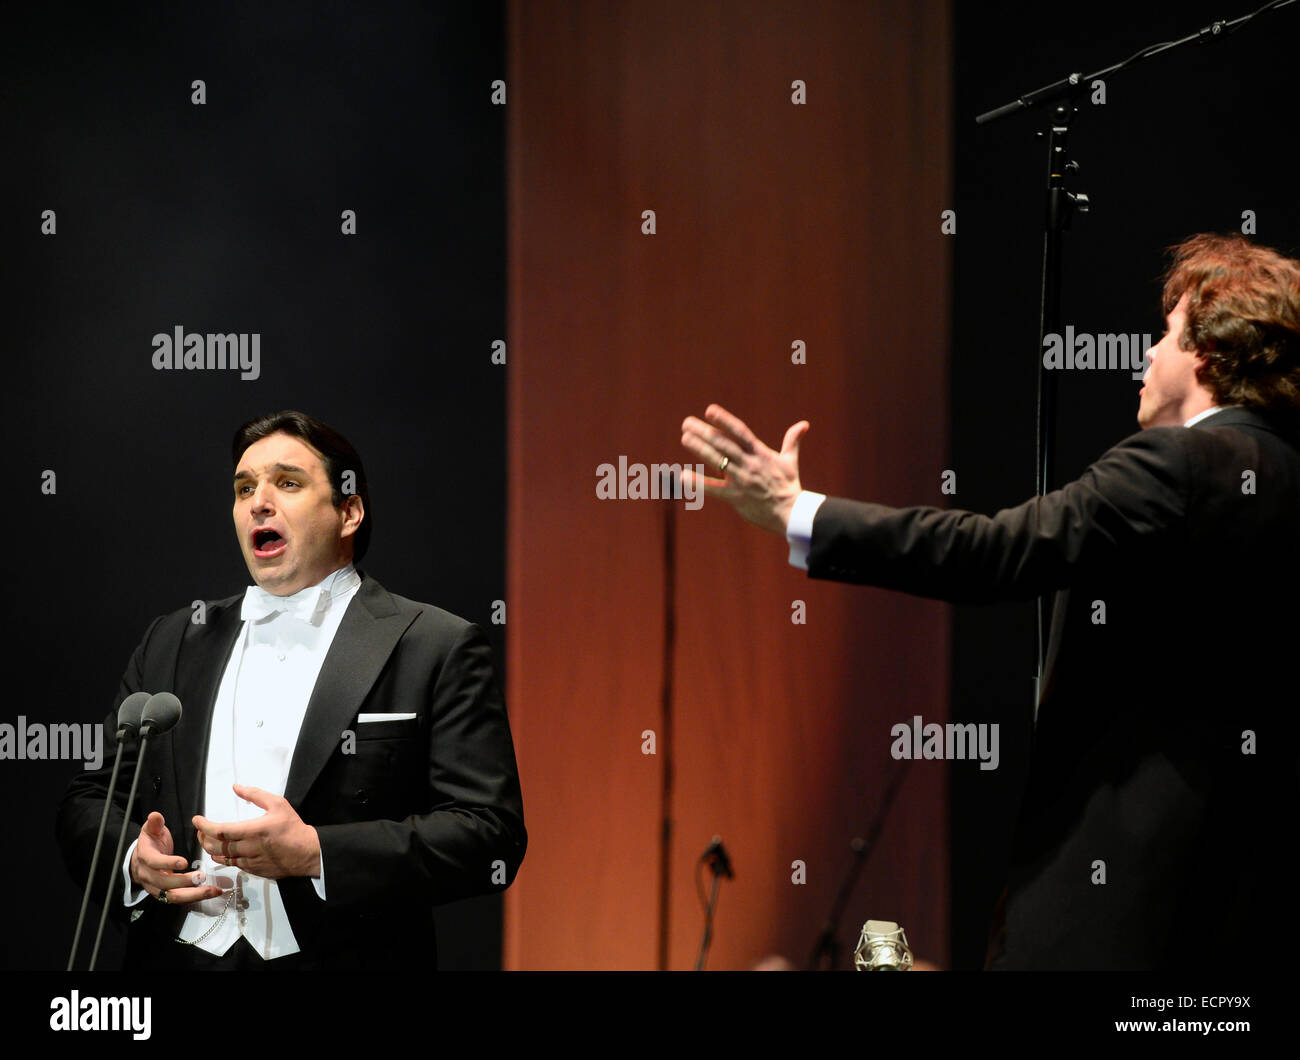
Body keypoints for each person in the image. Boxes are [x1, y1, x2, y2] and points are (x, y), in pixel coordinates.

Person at [679, 233, 1300, 969]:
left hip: (1126, 899)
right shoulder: (1285, 474)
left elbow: (994, 550)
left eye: (1163, 336)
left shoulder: (1177, 465)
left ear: (1208, 353)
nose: (1144, 357)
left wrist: (796, 510)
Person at [58, 410, 525, 970]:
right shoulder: (174, 640)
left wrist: (317, 854)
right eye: (244, 487)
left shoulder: (434, 644)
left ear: (349, 511)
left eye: (287, 483)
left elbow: (488, 834)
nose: (258, 501)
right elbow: (90, 799)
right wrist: (134, 859)